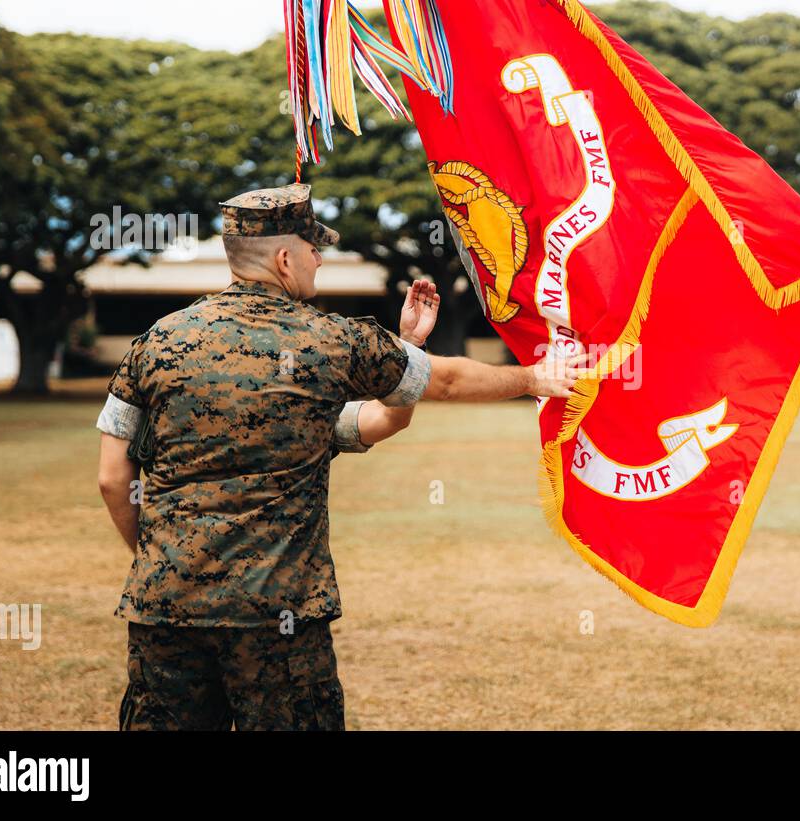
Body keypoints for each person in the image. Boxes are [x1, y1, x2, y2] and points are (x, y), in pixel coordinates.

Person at [95, 183, 587, 730]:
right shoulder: (331, 342)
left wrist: (162, 558)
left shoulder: (155, 341)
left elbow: (113, 479)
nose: (320, 259)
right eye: (313, 249)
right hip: (279, 621)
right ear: (285, 259)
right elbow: (443, 383)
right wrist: (535, 377)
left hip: (165, 610)